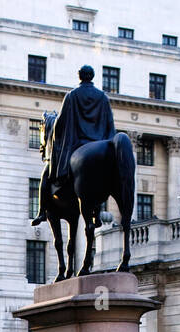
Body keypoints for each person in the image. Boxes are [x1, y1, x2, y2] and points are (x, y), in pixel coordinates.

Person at [31, 64, 116, 226]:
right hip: (100, 147)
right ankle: (96, 214)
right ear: (92, 76)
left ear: (80, 76)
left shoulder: (72, 96)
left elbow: (60, 123)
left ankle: (42, 211)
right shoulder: (103, 97)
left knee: (45, 175)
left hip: (76, 146)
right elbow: (110, 124)